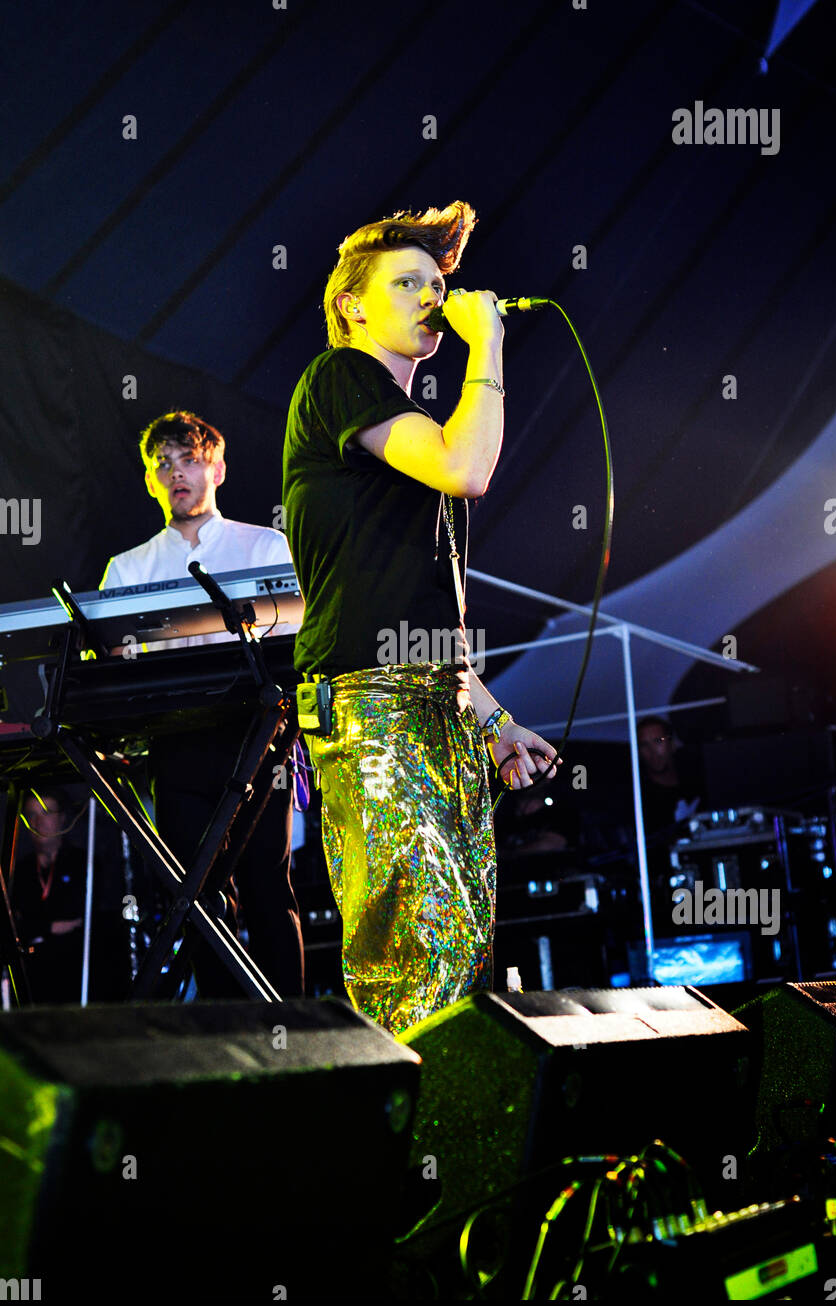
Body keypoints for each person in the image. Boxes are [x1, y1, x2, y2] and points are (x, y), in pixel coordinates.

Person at [282, 201, 559, 1033]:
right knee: (415, 947)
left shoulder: (410, 439)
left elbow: (423, 614)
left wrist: (494, 718)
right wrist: (490, 347)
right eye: (404, 283)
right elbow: (467, 469)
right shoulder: (339, 380)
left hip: (432, 698)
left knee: (460, 943)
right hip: (370, 701)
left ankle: (461, 1139)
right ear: (351, 307)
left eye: (437, 283)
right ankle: (409, 1148)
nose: (429, 296)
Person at [101, 411, 303, 998]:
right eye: (161, 462)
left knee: (269, 887)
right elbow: (110, 668)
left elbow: (294, 647)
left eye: (188, 458)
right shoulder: (129, 568)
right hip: (178, 747)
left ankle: (293, 1036)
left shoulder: (265, 546)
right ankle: (225, 1040)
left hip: (258, 738)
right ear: (149, 479)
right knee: (198, 896)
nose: (174, 472)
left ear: (217, 467)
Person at [12, 788, 87, 1003]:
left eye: (46, 812)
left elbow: (85, 920)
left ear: (62, 818)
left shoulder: (82, 863)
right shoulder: (19, 872)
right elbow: (15, 927)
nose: (38, 822)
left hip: (74, 976)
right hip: (32, 980)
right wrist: (50, 927)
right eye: (31, 815)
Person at [636, 715, 702, 835]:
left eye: (658, 741)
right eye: (644, 745)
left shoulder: (697, 785)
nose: (652, 751)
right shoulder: (639, 799)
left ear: (672, 745)